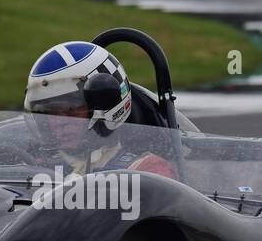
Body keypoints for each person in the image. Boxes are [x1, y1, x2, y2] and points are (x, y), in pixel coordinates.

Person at [24, 41, 177, 178]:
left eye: (72, 110)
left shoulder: (146, 170)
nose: (61, 122)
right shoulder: (32, 166)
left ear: (107, 108)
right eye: (51, 113)